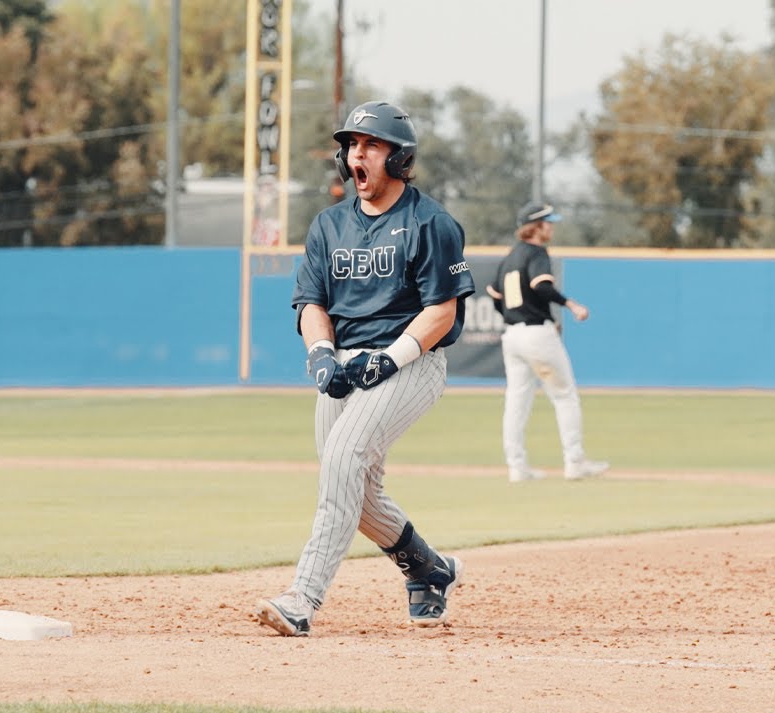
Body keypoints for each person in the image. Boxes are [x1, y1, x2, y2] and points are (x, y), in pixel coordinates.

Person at [256, 100, 476, 637]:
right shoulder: (329, 225)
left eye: (371, 145)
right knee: (355, 491)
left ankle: (302, 599)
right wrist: (320, 355)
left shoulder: (431, 222)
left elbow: (441, 310)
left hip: (412, 361)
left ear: (398, 159)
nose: (357, 154)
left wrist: (391, 357)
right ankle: (428, 569)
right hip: (347, 361)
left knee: (342, 462)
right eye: (352, 145)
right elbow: (311, 304)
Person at [486, 201, 609, 483]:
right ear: (535, 226)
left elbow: (494, 294)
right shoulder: (537, 252)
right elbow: (540, 285)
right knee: (564, 395)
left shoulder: (511, 256)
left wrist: (510, 315)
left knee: (517, 401)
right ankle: (574, 462)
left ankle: (517, 467)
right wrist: (570, 304)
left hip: (513, 336)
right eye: (547, 222)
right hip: (537, 334)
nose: (551, 227)